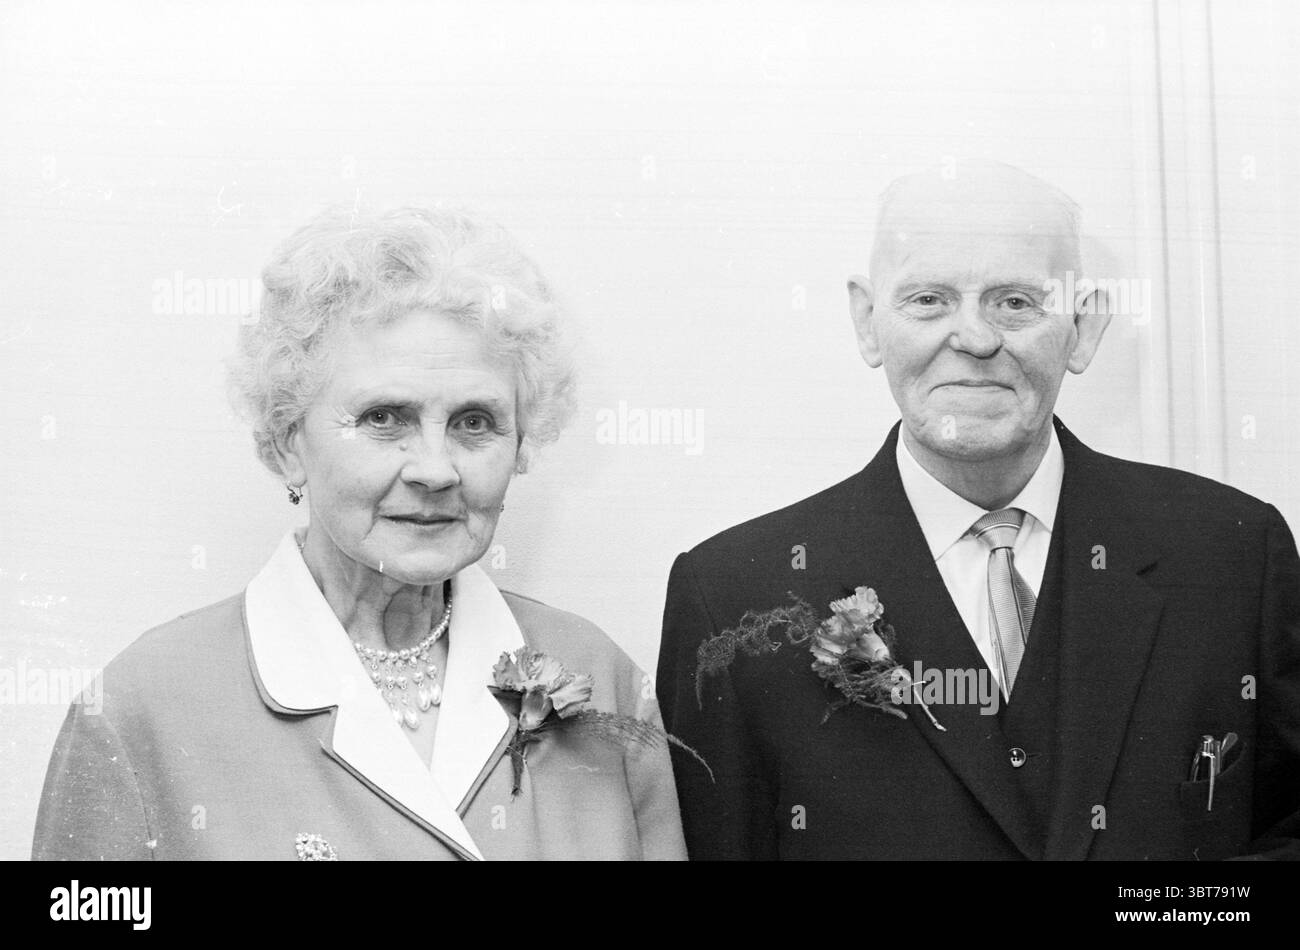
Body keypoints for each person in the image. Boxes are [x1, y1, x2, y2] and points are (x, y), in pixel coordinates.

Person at [657, 160, 1300, 860]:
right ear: (868, 322)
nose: (974, 338)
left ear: (1082, 326)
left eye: (1016, 302)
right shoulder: (727, 596)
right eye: (929, 299)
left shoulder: (1234, 555)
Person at [34, 206, 686, 861]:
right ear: (287, 441)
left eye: (475, 422)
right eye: (384, 418)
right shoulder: (142, 709)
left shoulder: (601, 679)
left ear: (521, 444)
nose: (435, 469)